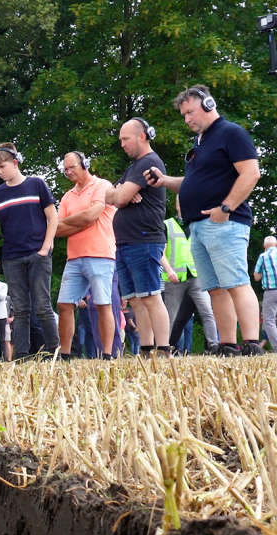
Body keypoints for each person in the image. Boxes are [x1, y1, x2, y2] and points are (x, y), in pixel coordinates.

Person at [148, 85, 263, 356]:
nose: (187, 119)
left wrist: (226, 208)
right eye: (183, 115)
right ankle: (228, 345)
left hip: (225, 222)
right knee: (215, 289)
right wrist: (164, 181)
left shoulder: (231, 133)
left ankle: (252, 344)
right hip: (197, 227)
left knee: (235, 282)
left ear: (209, 104)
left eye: (190, 112)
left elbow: (251, 173)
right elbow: (192, 183)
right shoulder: (200, 143)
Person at [0, 143, 59, 358]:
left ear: (15, 163)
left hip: (38, 254)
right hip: (12, 258)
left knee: (43, 306)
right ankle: (22, 356)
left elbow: (53, 217)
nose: (0, 172)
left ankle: (55, 353)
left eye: (3, 166)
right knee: (20, 309)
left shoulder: (37, 184)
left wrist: (45, 249)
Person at [105, 118, 170, 357]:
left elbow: (118, 199)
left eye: (125, 139)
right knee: (135, 300)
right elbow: (108, 194)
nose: (122, 144)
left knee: (151, 296)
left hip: (144, 239)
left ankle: (163, 349)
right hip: (126, 242)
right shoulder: (134, 167)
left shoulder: (150, 162)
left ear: (142, 136)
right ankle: (145, 348)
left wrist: (121, 192)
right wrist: (121, 190)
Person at [55, 151, 118, 359]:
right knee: (64, 305)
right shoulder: (68, 196)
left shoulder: (102, 186)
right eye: (65, 169)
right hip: (73, 257)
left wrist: (72, 221)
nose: (68, 172)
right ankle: (65, 355)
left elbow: (92, 215)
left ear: (85, 164)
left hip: (100, 254)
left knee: (102, 304)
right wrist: (83, 222)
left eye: (72, 167)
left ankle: (107, 355)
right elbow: (55, 229)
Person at [161, 213, 219, 351]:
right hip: (175, 278)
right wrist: (169, 270)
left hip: (196, 276)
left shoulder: (197, 225)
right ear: (177, 206)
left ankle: (214, 345)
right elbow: (160, 252)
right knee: (171, 315)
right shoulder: (167, 225)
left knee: (207, 311)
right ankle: (164, 348)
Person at [254, 235, 277, 351]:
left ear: (264, 246)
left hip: (271, 291)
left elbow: (256, 277)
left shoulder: (263, 256)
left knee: (269, 320)